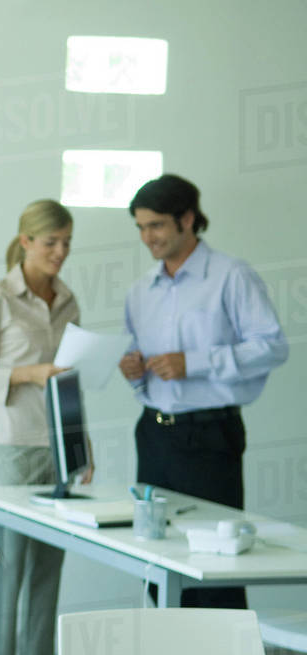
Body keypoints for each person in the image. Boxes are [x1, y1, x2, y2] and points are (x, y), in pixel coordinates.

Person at [118, 174, 288, 608]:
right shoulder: (140, 292)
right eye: (140, 228)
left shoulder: (231, 276)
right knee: (155, 558)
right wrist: (133, 369)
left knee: (215, 562)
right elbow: (136, 357)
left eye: (155, 225)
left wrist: (193, 362)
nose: (147, 237)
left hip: (210, 437)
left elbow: (271, 346)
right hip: (153, 436)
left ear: (187, 219)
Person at [0, 199, 88, 655]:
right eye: (52, 242)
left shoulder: (68, 300)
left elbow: (73, 379)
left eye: (67, 243)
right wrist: (28, 373)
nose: (60, 252)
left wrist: (81, 446)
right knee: (6, 569)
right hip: (10, 447)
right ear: (27, 240)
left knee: (46, 570)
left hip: (57, 447)